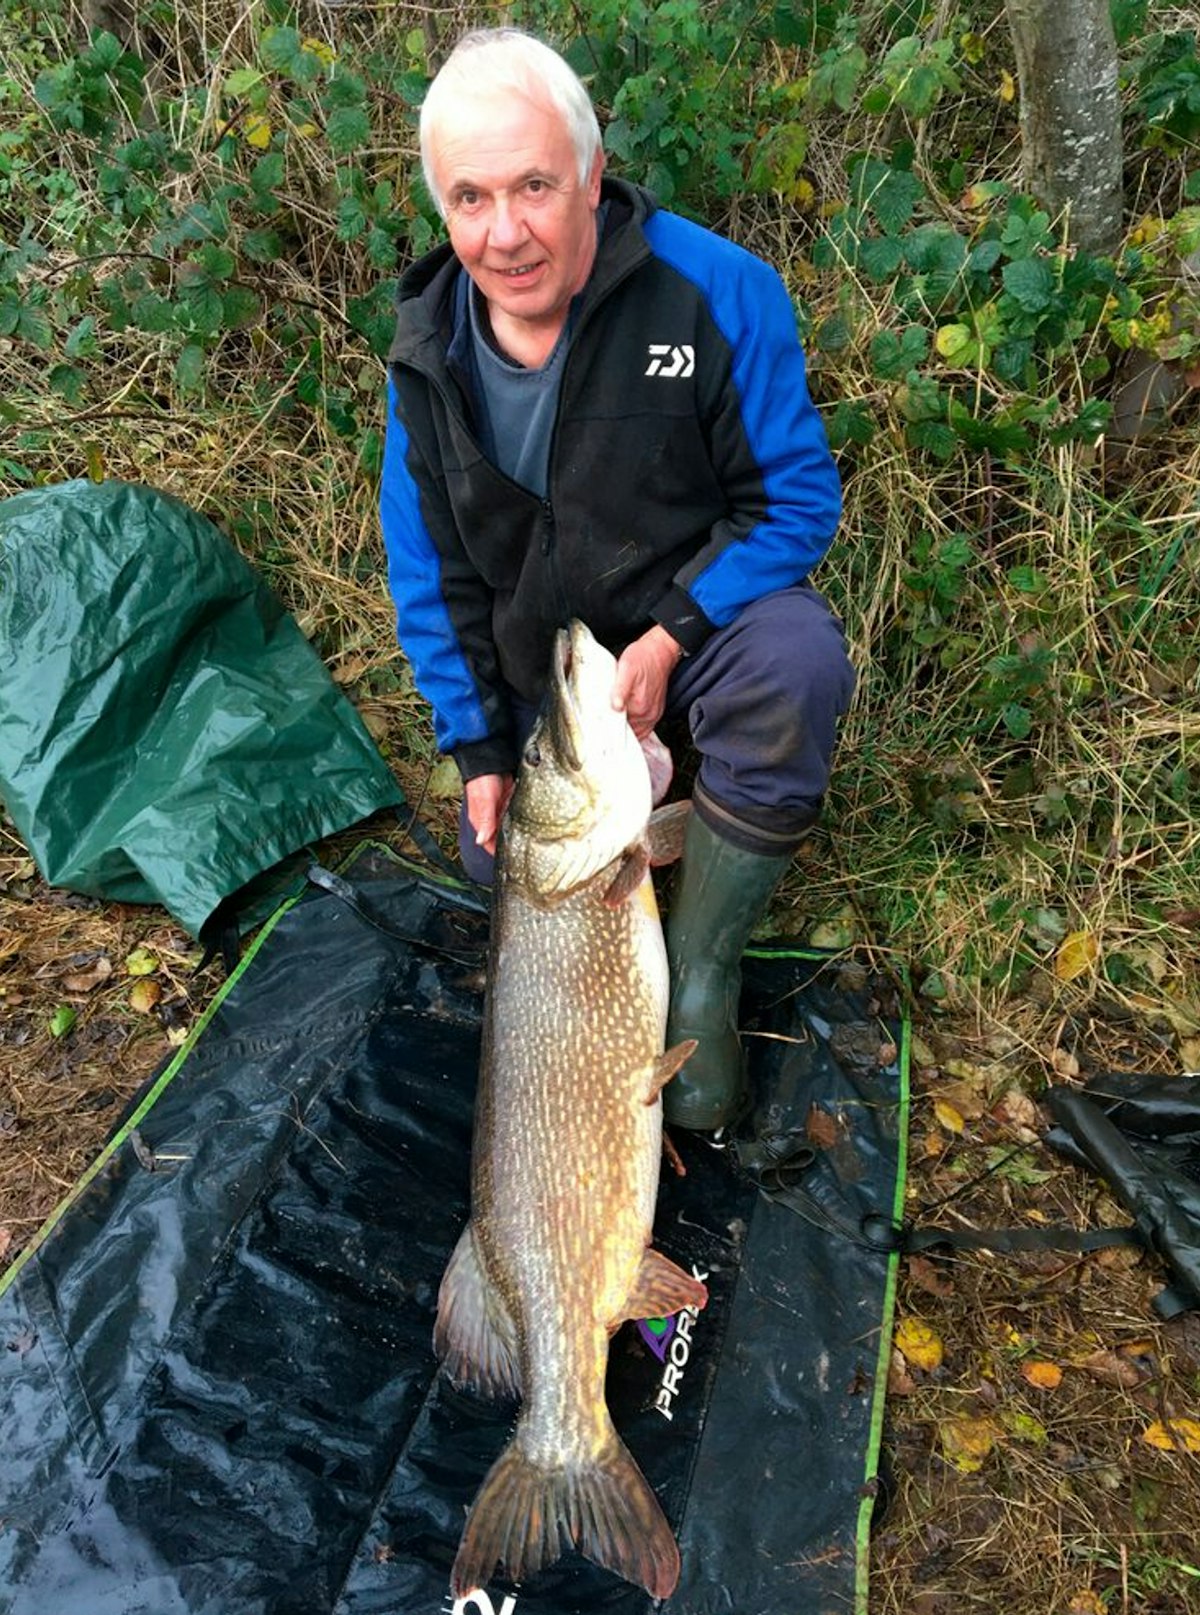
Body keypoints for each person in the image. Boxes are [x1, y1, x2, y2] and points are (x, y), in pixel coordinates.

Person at [380, 27, 854, 1131]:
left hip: (691, 658)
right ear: (442, 207)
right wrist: (481, 752)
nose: (506, 233)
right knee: (500, 865)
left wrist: (674, 634)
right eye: (471, 198)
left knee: (795, 667)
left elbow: (793, 500)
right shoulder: (424, 356)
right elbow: (432, 576)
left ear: (592, 174)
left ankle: (700, 971)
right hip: (554, 710)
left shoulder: (715, 291)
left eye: (536, 186)